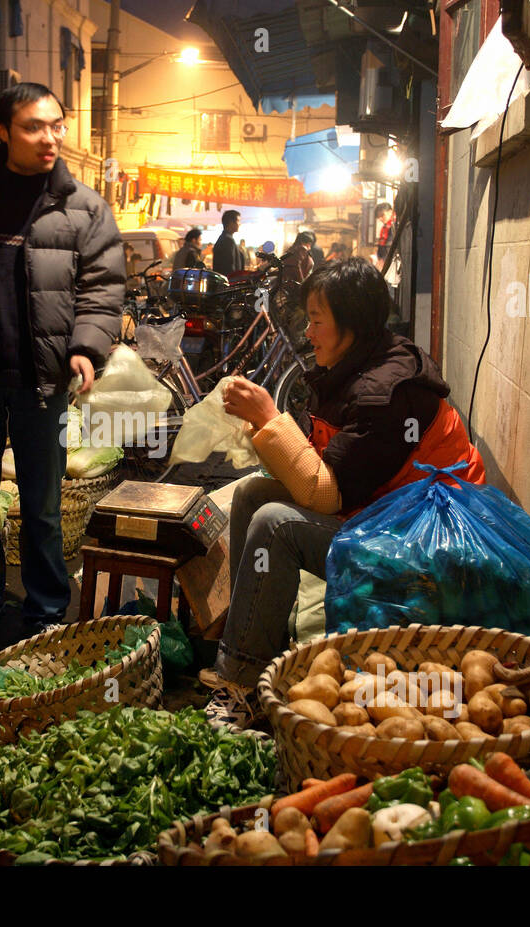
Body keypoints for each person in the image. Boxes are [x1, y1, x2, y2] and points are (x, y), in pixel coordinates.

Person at [199, 257, 486, 728]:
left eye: (316, 321)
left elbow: (324, 493)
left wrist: (269, 419)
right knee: (253, 495)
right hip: (385, 514)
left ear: (351, 324)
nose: (308, 333)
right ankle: (246, 641)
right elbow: (326, 465)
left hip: (423, 544)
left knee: (276, 524)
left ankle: (243, 685)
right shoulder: (355, 363)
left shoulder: (385, 393)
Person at [0, 81, 124, 660]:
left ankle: (44, 611)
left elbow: (103, 287)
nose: (50, 138)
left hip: (44, 379)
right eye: (35, 127)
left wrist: (87, 347)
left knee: (42, 505)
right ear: (2, 131)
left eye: (57, 125)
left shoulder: (84, 206)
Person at [212, 209, 243, 276]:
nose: (240, 224)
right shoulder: (227, 241)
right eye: (238, 221)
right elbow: (229, 267)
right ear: (231, 222)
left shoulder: (224, 238)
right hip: (228, 283)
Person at [374, 202, 395, 268]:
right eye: (378, 217)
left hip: (391, 263)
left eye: (382, 215)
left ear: (390, 212)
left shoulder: (394, 227)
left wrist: (383, 260)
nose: (380, 219)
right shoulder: (384, 228)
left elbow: (390, 247)